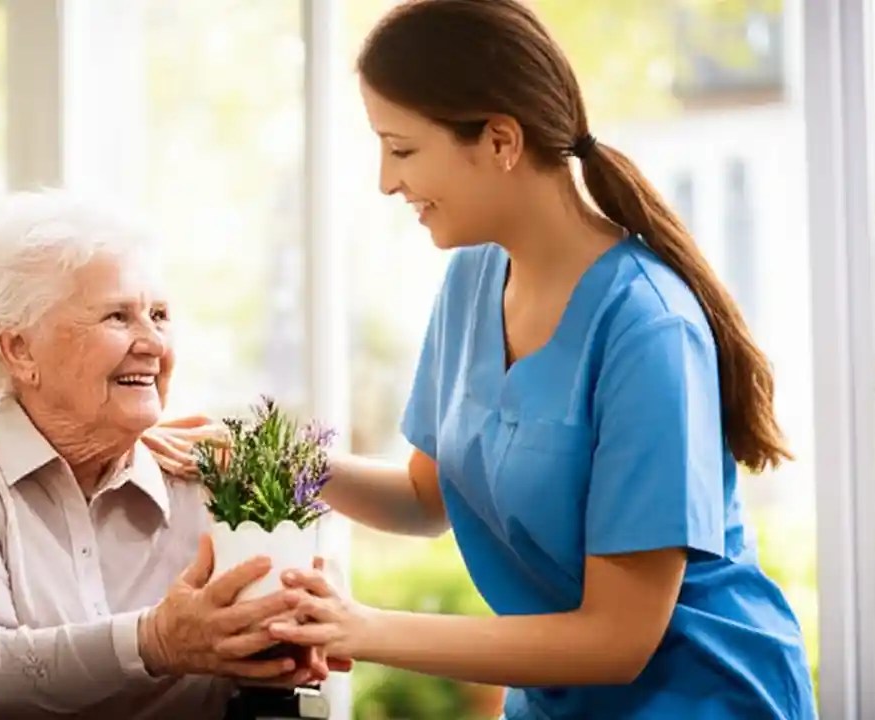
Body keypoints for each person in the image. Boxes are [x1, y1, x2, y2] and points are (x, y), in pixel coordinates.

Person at [151, 1, 816, 717]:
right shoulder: (473, 281)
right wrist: (268, 462)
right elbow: (425, 498)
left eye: (401, 149)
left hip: (701, 699)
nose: (385, 180)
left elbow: (618, 640)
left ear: (500, 140)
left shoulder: (648, 327)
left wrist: (361, 626)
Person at [0, 190, 328, 720]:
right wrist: (153, 642)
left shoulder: (206, 482)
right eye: (117, 317)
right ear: (20, 350)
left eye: (160, 314)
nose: (152, 342)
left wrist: (283, 636)